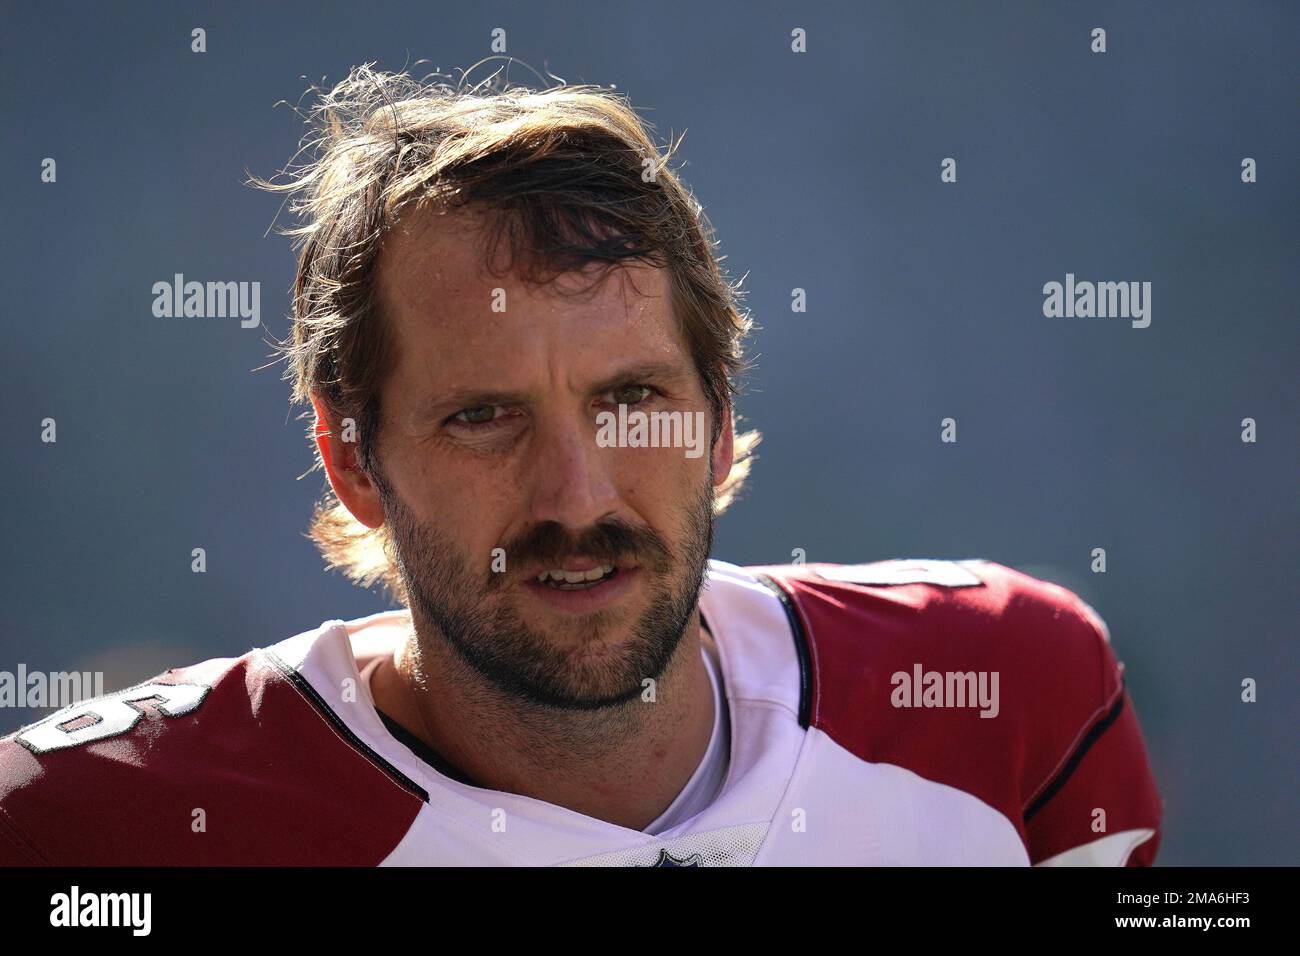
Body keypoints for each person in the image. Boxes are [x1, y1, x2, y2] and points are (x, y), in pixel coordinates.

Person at [0, 66, 1161, 866]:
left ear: (716, 421)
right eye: (484, 415)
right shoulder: (94, 826)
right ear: (350, 460)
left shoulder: (1011, 699)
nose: (577, 495)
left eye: (631, 400)